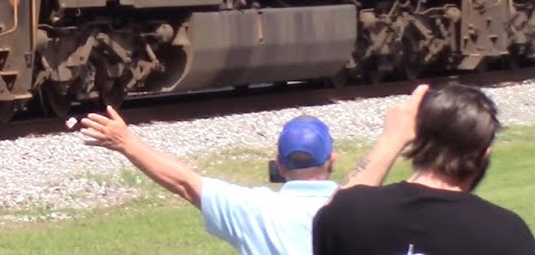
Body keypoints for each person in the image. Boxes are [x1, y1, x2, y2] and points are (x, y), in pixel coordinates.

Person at [311, 82, 535, 255]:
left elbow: (329, 212)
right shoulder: (506, 234)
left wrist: (391, 139)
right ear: (483, 155)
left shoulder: (348, 214)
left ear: (417, 138)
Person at [79, 106, 340, 255]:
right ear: (333, 160)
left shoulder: (254, 211)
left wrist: (126, 142)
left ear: (279, 164)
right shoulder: (359, 210)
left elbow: (185, 183)